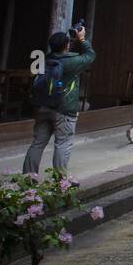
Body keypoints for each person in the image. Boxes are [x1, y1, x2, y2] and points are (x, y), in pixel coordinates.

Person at [23, 24, 95, 174]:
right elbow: (90, 55)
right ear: (67, 45)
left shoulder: (45, 59)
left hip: (42, 107)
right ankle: (60, 181)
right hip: (63, 109)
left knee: (37, 143)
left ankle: (28, 179)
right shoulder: (71, 62)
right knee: (63, 143)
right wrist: (82, 39)